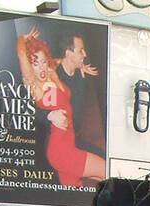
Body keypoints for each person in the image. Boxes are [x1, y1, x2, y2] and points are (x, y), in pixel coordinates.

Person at [16, 28, 105, 187]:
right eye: (35, 64)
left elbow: (58, 61)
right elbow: (22, 54)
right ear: (29, 67)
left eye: (43, 62)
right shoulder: (33, 84)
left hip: (68, 143)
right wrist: (23, 38)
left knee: (76, 194)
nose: (41, 68)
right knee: (107, 171)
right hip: (62, 150)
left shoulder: (50, 72)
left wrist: (80, 66)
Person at [54, 31, 105, 160]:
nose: (85, 54)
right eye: (80, 50)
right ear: (68, 53)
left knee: (106, 159)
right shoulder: (55, 78)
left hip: (75, 139)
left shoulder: (80, 75)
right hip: (59, 143)